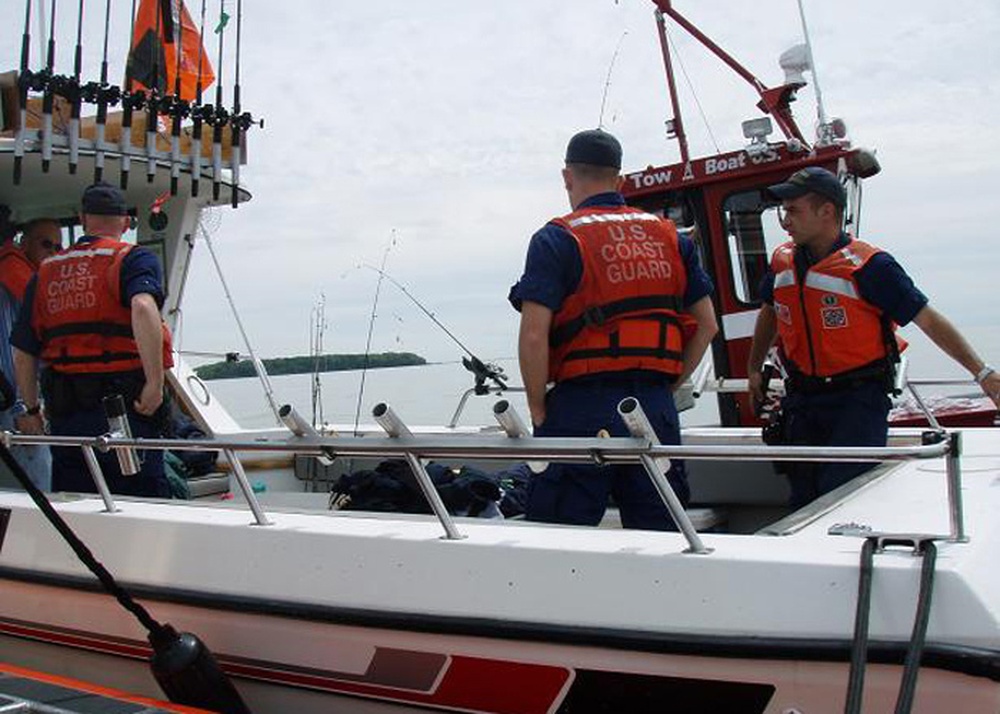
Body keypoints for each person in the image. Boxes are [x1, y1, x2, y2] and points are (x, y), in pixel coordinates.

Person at [747, 166, 1000, 508]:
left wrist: (982, 373)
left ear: (826, 212)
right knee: (803, 497)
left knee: (844, 493)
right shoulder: (782, 262)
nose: (785, 221)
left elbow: (927, 319)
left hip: (857, 400)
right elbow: (770, 310)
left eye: (793, 210)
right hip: (803, 400)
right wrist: (753, 369)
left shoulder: (871, 267)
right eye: (783, 212)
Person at [508, 129, 718, 529]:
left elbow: (534, 336)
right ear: (620, 181)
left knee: (560, 533)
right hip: (654, 405)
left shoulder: (557, 238)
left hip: (580, 405)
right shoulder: (672, 238)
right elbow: (707, 326)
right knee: (661, 531)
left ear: (567, 177)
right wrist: (670, 384)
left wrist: (538, 409)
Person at [11, 182, 174, 497]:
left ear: (83, 220)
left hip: (68, 416)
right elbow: (143, 307)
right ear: (125, 223)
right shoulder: (132, 259)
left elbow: (23, 352)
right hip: (127, 412)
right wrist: (155, 384)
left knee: (76, 502)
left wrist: (31, 410)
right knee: (143, 502)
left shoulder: (44, 272)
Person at [0, 216, 59, 489]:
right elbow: (11, 355)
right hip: (15, 412)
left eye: (58, 247)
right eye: (46, 244)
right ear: (23, 244)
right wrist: (25, 408)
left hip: (31, 407)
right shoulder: (11, 285)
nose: (53, 252)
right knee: (36, 491)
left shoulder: (31, 283)